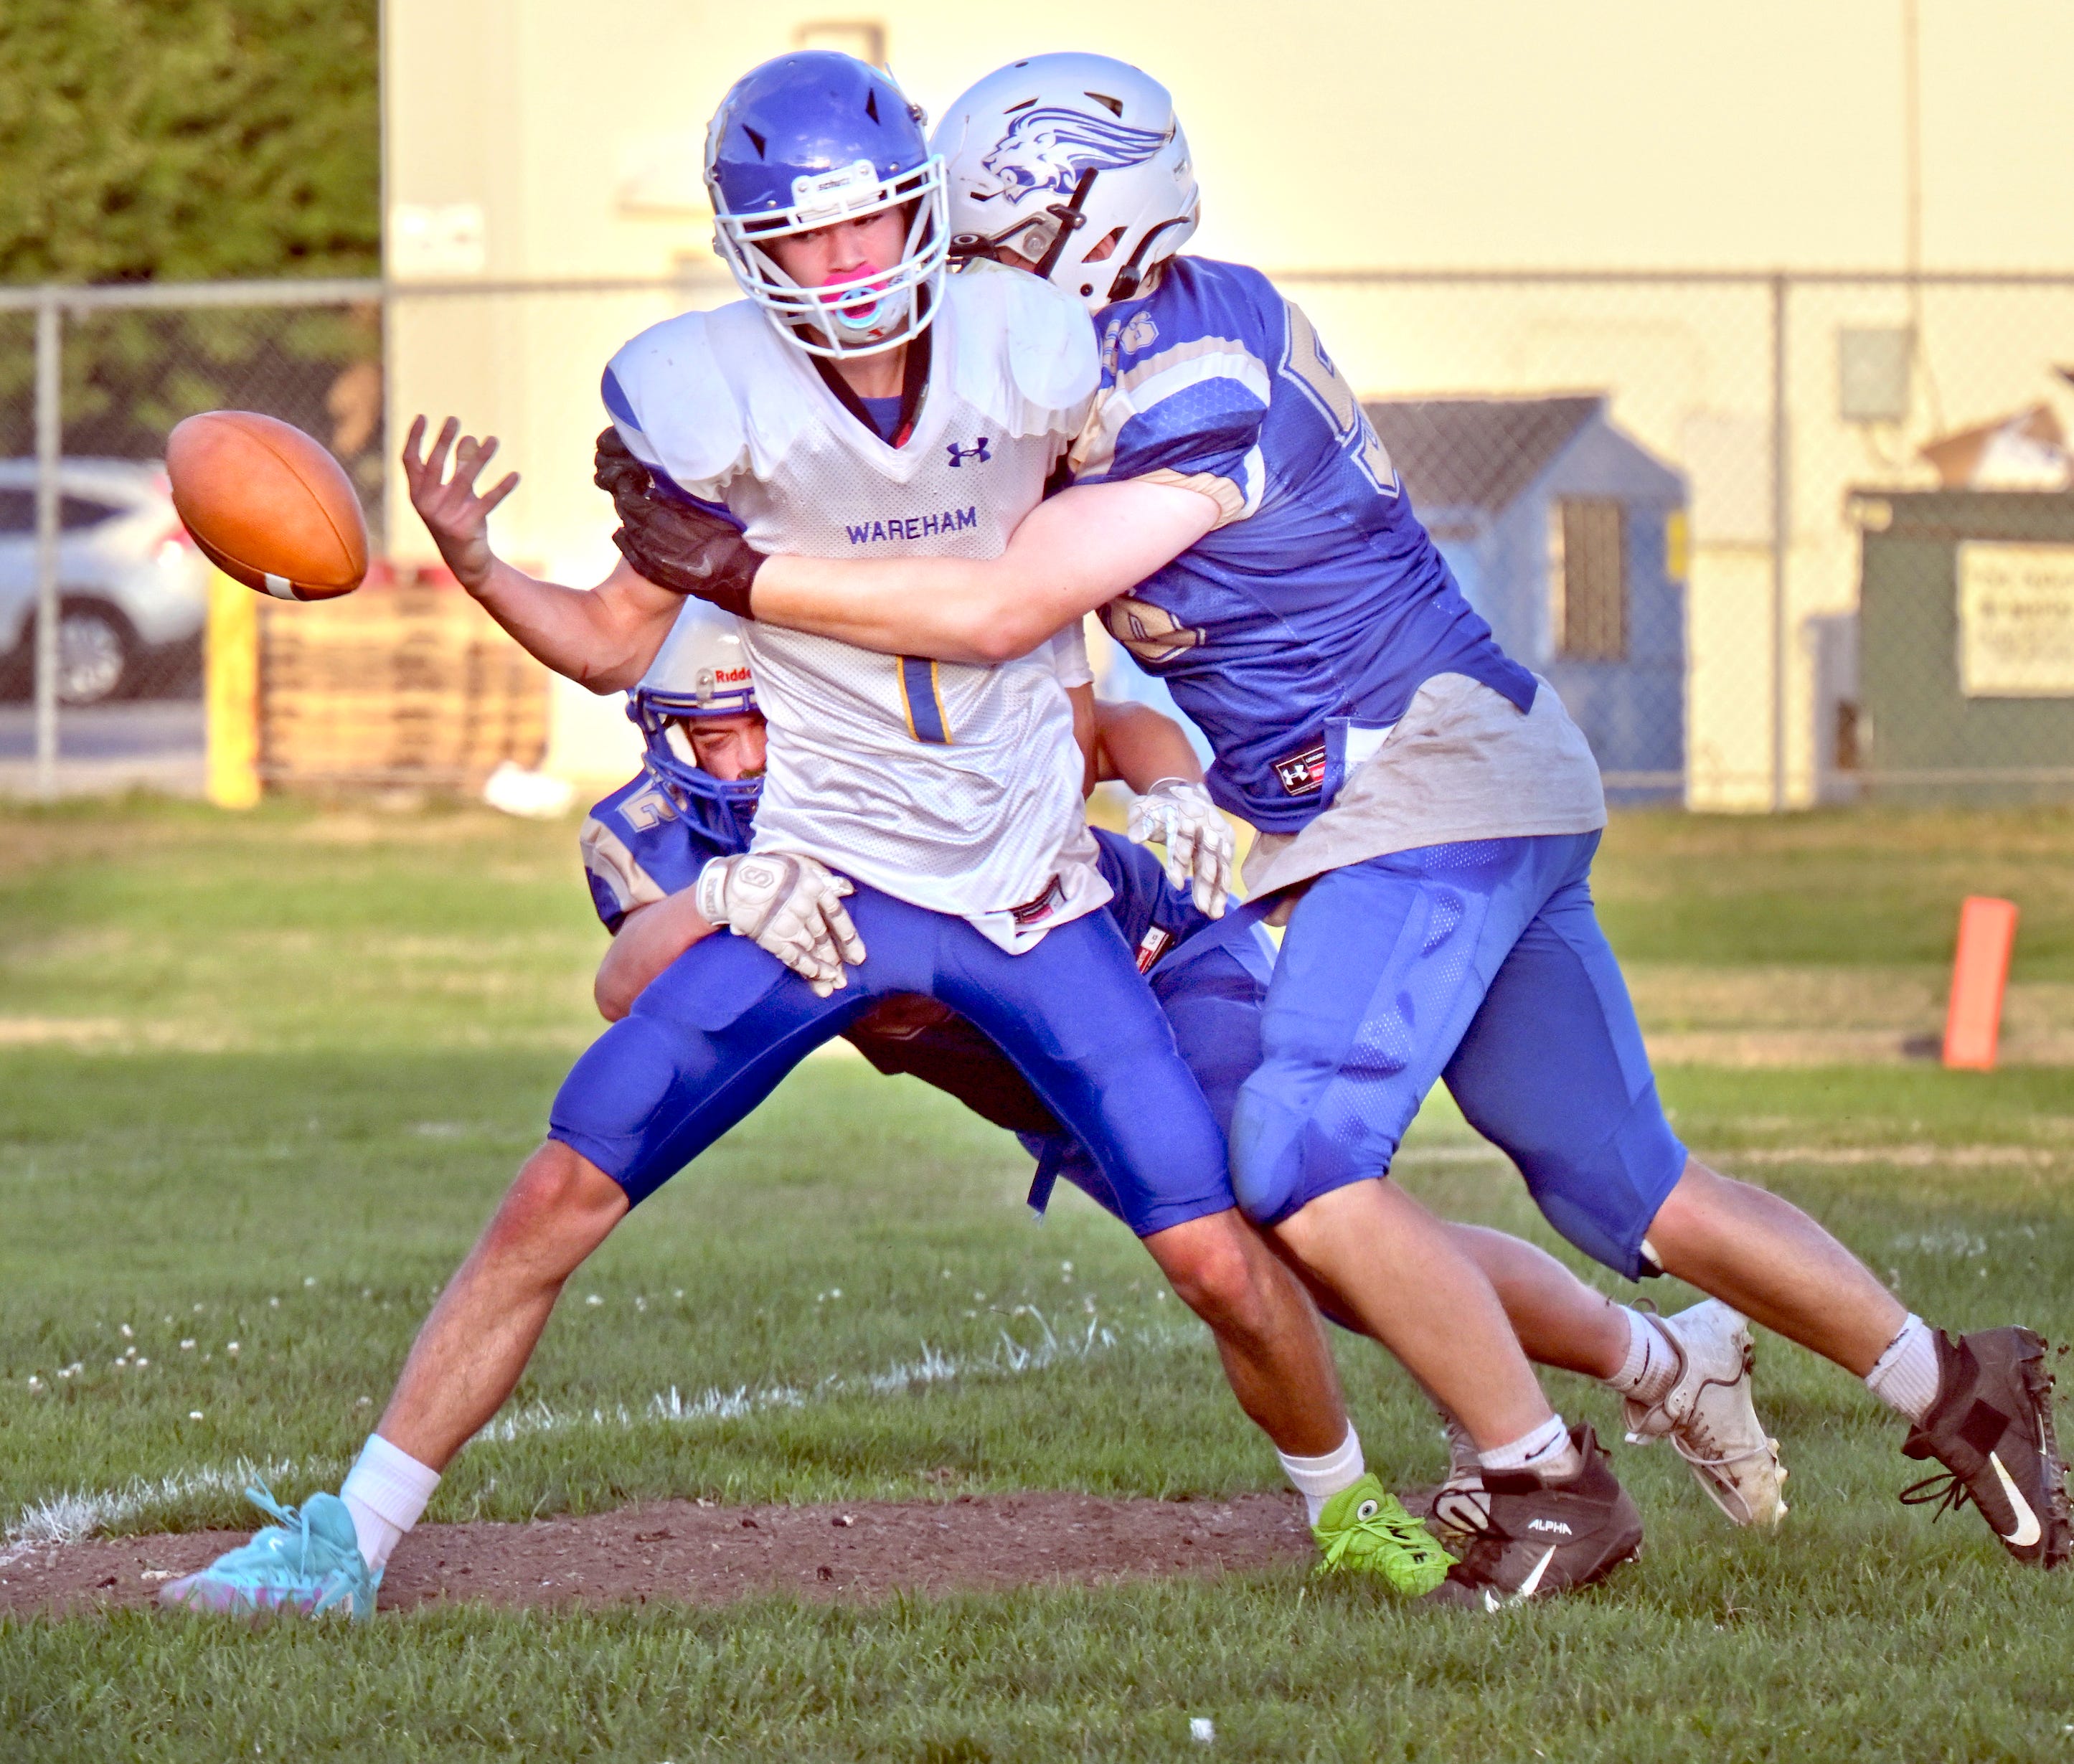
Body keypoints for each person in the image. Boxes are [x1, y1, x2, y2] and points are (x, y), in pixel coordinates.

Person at [611, 52, 2070, 1590]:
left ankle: (1543, 1487)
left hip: (1413, 784)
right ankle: (1961, 1388)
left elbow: (999, 602)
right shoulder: (1115, 347)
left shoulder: (1183, 362)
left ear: (1090, 226)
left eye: (985, 245)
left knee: (1298, 1147)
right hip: (1470, 776)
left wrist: (739, 570)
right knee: (1627, 1183)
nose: (960, 281)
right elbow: (921, 515)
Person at [159, 51, 1461, 1623]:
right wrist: (486, 569)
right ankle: (343, 1542)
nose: (847, 270)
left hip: (1031, 894)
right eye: (805, 241)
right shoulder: (699, 398)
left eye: (871, 229)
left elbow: (1112, 580)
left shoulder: (1039, 352)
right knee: (556, 1193)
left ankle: (1349, 1511)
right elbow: (612, 638)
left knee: (1207, 1248)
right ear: (745, 250)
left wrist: (1168, 767)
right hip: (828, 890)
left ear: (923, 215)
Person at [592, 602, 1784, 1551]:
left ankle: (1621, 1383)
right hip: (1046, 1075)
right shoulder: (669, 839)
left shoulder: (877, 762)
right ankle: (1658, 1362)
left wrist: (1171, 792)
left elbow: (1113, 727)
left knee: (1296, 1232)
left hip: (1156, 961)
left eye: (764, 726)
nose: (746, 758)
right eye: (717, 734)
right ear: (667, 738)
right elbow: (623, 983)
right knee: (1295, 1264)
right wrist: (718, 895)